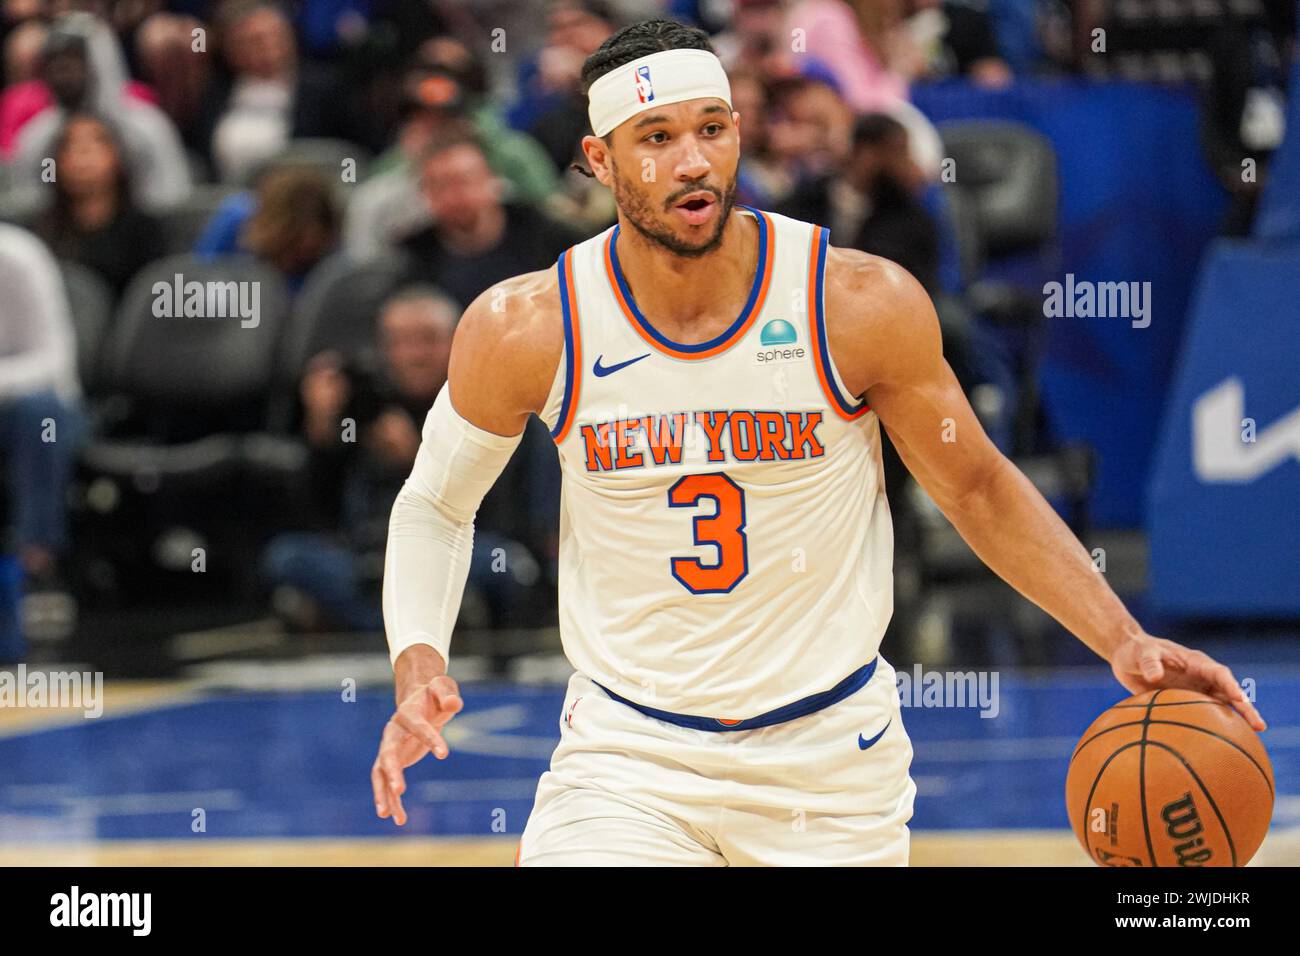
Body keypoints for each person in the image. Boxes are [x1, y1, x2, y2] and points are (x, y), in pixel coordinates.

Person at [370, 18, 1265, 866]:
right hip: (627, 755)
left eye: (712, 128)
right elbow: (437, 505)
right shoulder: (528, 326)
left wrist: (1121, 638)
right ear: (599, 160)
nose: (693, 161)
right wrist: (419, 663)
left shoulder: (854, 303)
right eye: (656, 138)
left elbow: (977, 486)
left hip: (830, 764)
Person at [263, 286, 549, 632]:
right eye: (399, 342)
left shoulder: (488, 402)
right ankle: (433, 622)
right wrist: (322, 430)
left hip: (453, 550)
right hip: (371, 559)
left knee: (503, 564)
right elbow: (319, 511)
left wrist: (417, 462)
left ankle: (373, 624)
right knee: (287, 557)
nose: (414, 355)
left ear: (457, 342)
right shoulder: (365, 401)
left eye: (428, 340)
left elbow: (504, 513)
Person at [0, 221, 85, 660]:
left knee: (38, 413)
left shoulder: (20, 256)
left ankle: (39, 566)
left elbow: (55, 362)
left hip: (48, 408)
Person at [34, 112, 164, 298]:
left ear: (118, 158)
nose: (82, 154)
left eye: (96, 143)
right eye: (70, 146)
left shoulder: (144, 231)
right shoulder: (42, 232)